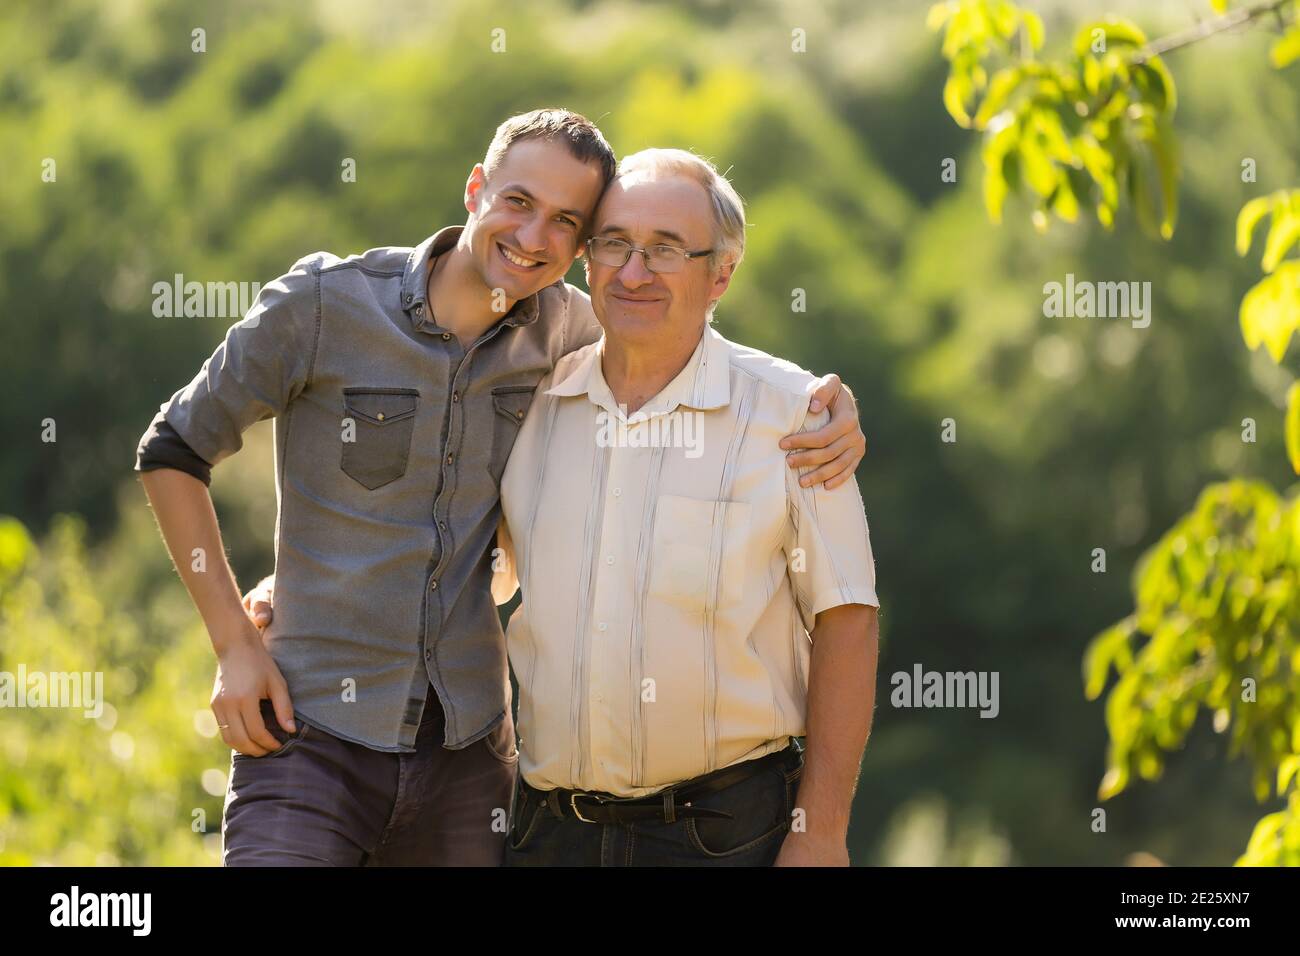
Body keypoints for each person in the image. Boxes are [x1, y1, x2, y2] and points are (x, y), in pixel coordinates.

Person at [136, 110, 867, 866]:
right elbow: (173, 448)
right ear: (475, 188)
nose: (533, 236)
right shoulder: (324, 305)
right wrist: (232, 642)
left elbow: (681, 337)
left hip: (468, 758)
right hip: (311, 732)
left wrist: (826, 404)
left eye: (566, 222)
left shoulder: (568, 337)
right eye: (518, 202)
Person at [493, 148, 880, 866]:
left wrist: (820, 830)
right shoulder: (523, 400)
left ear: (721, 274)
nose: (634, 272)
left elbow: (847, 617)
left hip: (726, 834)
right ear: (586, 259)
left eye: (665, 250)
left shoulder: (797, 416)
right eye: (615, 244)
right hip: (545, 834)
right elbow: (461, 553)